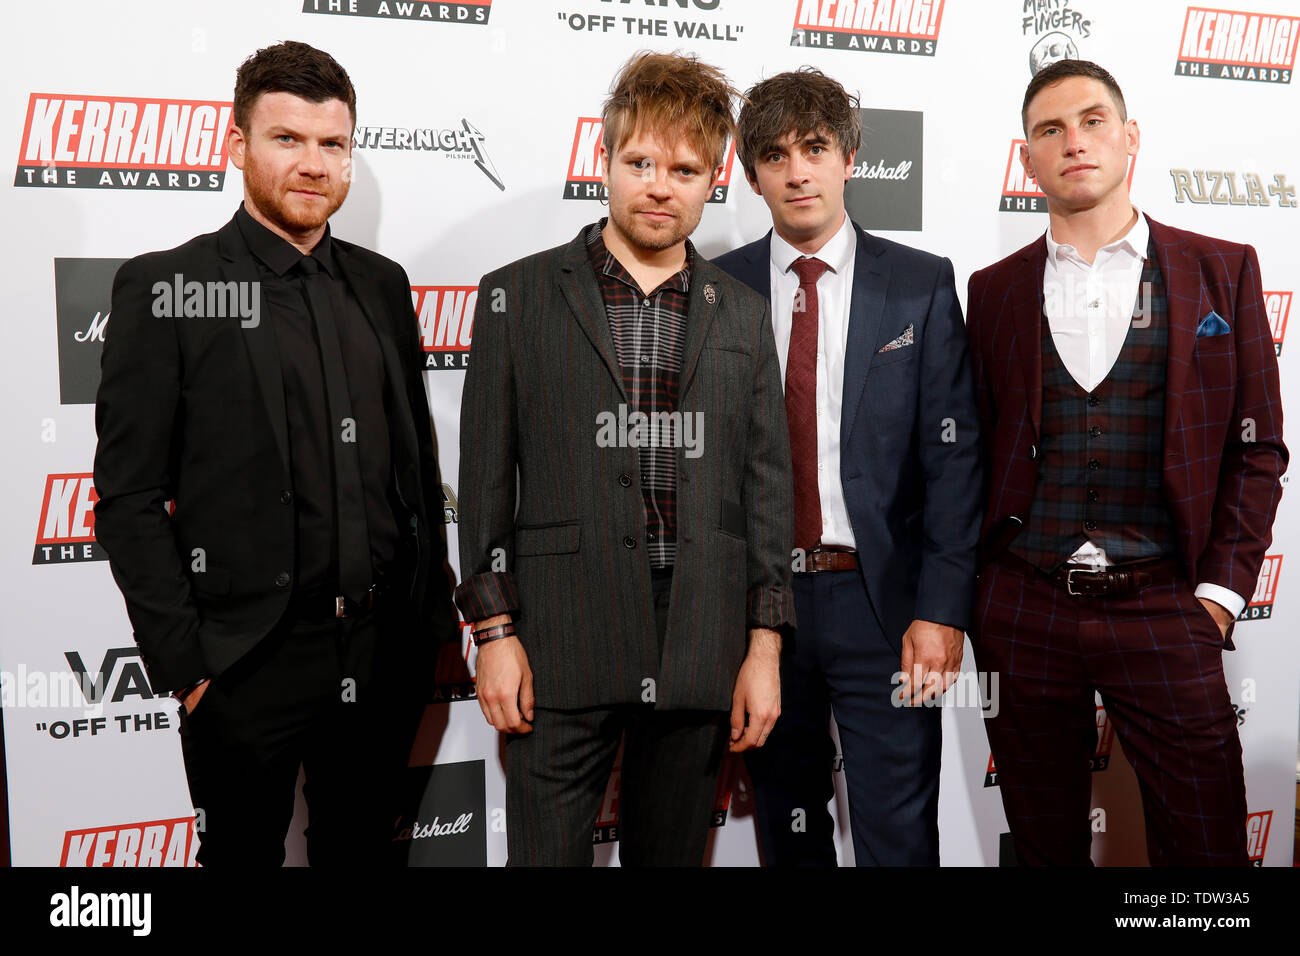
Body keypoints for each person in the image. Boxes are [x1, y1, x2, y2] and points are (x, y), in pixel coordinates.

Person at [93, 40, 458, 866]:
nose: (312, 163)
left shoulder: (382, 283)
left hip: (382, 650)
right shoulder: (168, 287)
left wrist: (426, 623)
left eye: (332, 144)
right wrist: (191, 667)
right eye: (286, 138)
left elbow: (410, 459)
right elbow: (126, 496)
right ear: (237, 146)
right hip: (248, 662)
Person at [455, 51, 795, 866]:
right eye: (639, 162)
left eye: (683, 168)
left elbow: (766, 490)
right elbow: (484, 481)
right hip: (556, 637)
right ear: (603, 162)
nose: (658, 185)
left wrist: (764, 644)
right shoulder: (517, 295)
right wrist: (493, 631)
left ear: (713, 180)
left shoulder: (743, 315)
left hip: (700, 638)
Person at [965, 59, 1287, 866]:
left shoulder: (1223, 268)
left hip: (1166, 607)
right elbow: (970, 447)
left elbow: (1258, 448)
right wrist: (982, 593)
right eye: (1051, 130)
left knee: (1208, 851)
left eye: (1093, 119)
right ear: (1028, 158)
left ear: (1130, 136)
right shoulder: (994, 291)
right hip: (1024, 611)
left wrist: (1217, 596)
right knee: (1043, 845)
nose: (1075, 141)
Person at [715, 67, 982, 866]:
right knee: (788, 835)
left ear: (849, 156)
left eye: (815, 148)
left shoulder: (920, 283)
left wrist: (942, 609)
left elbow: (956, 460)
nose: (797, 171)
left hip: (886, 606)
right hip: (760, 613)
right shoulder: (715, 291)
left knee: (899, 837)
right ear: (750, 170)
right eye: (774, 154)